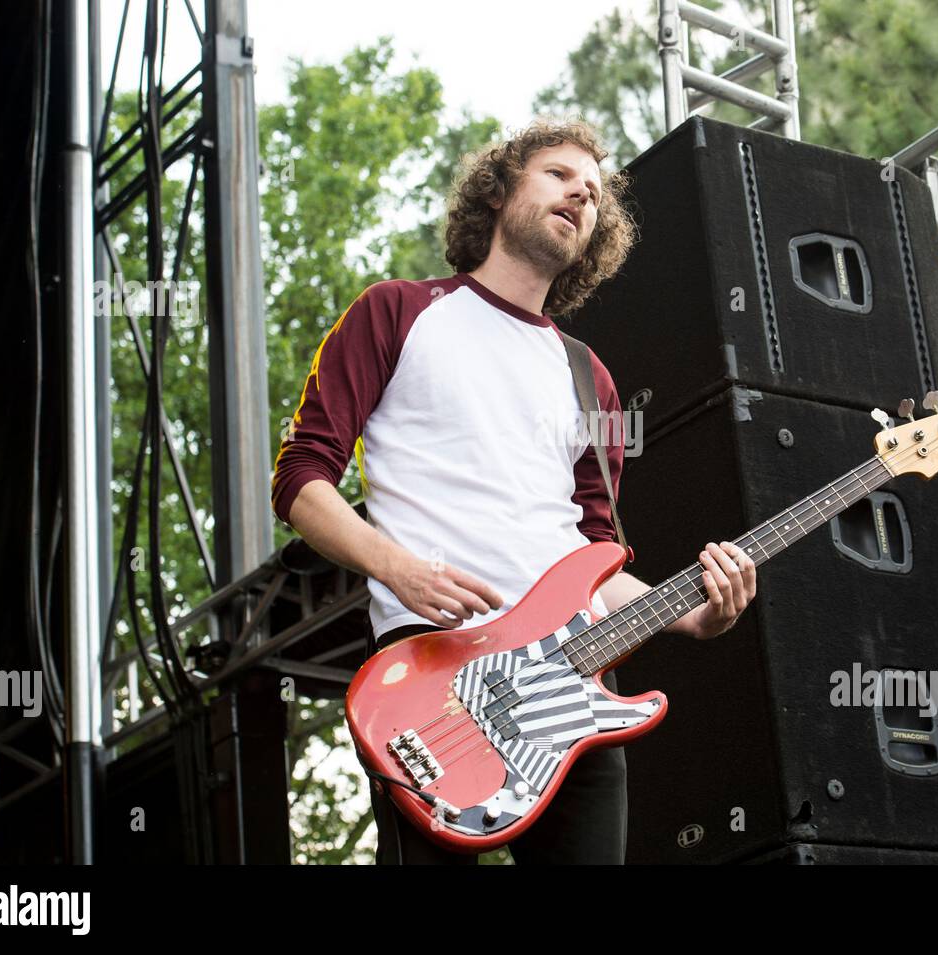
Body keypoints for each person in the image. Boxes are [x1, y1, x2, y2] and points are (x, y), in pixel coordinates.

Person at [270, 117, 757, 864]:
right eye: (560, 175)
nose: (581, 195)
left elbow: (594, 559)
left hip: (573, 683)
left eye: (593, 193)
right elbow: (301, 478)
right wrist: (397, 566)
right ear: (498, 191)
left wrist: (691, 613)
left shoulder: (589, 378)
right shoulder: (398, 312)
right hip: (432, 674)